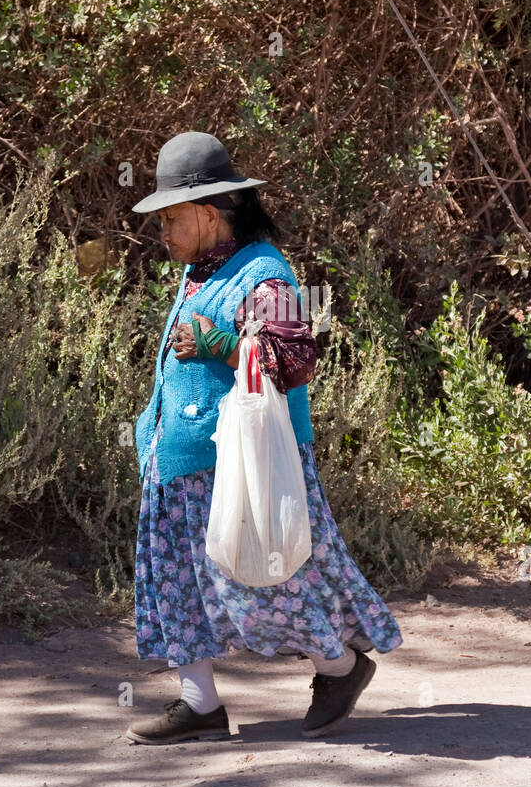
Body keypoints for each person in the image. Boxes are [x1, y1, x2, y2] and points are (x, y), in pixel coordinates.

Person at [126, 130, 403, 744]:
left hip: (244, 466)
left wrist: (220, 344)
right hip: (179, 465)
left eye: (171, 218)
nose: (163, 232)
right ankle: (200, 705)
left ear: (209, 213)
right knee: (175, 585)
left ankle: (341, 667)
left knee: (273, 581)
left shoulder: (265, 275)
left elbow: (296, 359)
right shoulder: (203, 270)